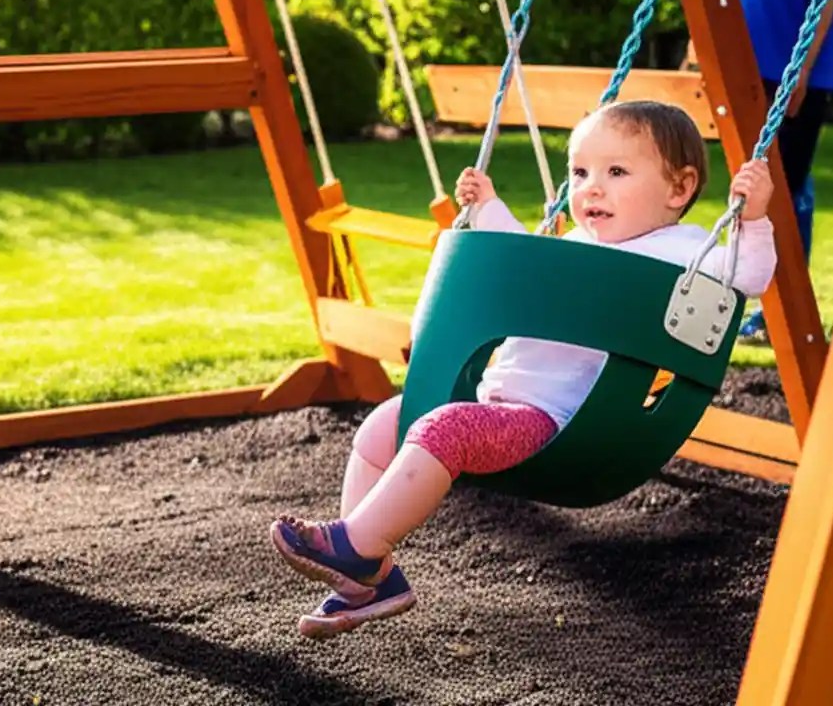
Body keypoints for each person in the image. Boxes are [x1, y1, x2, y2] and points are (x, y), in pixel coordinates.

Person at [268, 100, 778, 640]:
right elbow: (522, 259)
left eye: (616, 172)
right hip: (496, 403)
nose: (591, 188)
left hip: (554, 424)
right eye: (579, 173)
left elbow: (747, 276)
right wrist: (488, 209)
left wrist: (754, 218)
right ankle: (366, 574)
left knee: (444, 429)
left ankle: (356, 547)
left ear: (679, 189)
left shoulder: (683, 250)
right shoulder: (580, 242)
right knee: (382, 427)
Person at [733, 0, 833, 340]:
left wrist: (801, 70)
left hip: (796, 72)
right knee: (753, 186)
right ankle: (762, 306)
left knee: (785, 190)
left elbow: (827, 0)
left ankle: (784, 312)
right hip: (747, 66)